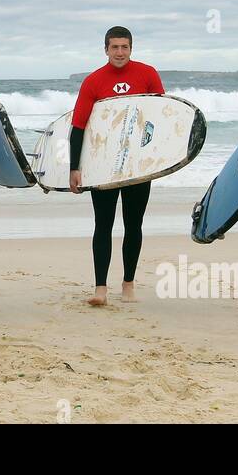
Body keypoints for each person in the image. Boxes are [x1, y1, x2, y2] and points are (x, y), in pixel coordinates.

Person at [69, 26, 165, 306]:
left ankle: (128, 284)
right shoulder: (94, 81)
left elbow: (161, 120)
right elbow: (79, 126)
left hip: (138, 166)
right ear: (106, 49)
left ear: (131, 49)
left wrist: (157, 159)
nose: (120, 53)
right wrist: (75, 167)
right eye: (115, 47)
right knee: (103, 225)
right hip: (103, 166)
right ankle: (100, 287)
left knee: (134, 225)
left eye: (124, 47)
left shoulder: (147, 74)